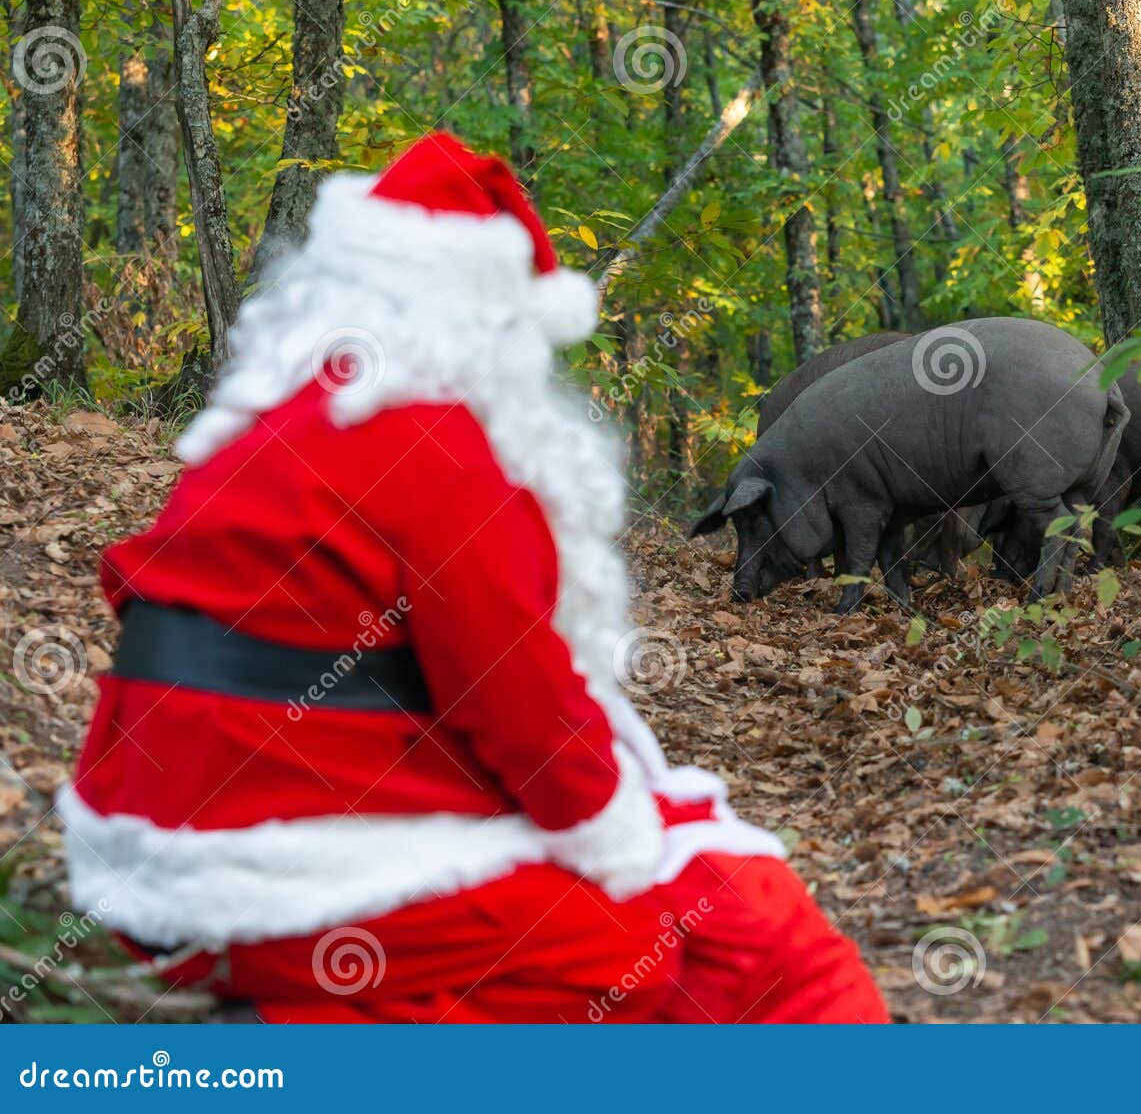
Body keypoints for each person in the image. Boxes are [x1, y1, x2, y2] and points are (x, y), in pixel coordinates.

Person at [57, 131, 888, 1024]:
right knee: (676, 942)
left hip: (136, 854)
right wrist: (615, 831)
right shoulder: (439, 447)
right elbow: (518, 701)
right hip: (270, 873)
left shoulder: (252, 430)